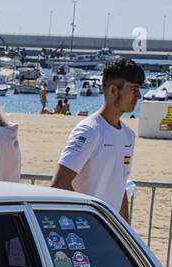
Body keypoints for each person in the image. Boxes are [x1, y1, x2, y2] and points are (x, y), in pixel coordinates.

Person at [51, 57, 144, 223]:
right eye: (134, 89)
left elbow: (119, 188)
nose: (139, 96)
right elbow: (59, 184)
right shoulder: (89, 130)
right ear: (113, 91)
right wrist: (87, 220)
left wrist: (125, 232)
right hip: (86, 231)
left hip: (110, 232)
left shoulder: (128, 135)